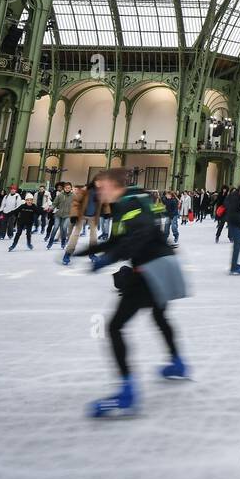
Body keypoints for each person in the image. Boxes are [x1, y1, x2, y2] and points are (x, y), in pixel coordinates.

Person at [80, 168, 188, 418]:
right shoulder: (131, 200)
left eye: (101, 186)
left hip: (150, 269)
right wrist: (86, 252)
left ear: (112, 185)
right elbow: (121, 240)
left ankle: (127, 393)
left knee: (115, 326)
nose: (98, 192)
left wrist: (106, 259)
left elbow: (140, 234)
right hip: (163, 263)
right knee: (159, 315)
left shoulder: (128, 203)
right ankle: (178, 363)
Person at [63, 180, 99, 266]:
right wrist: (74, 215)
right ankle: (68, 253)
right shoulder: (84, 191)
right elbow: (75, 202)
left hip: (93, 216)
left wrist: (107, 212)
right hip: (82, 215)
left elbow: (105, 204)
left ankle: (92, 253)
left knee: (94, 235)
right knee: (75, 234)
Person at [224, 184, 240, 274]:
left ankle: (234, 264)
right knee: (237, 245)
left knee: (237, 245)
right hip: (234, 223)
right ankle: (233, 267)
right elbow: (233, 211)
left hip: (236, 223)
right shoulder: (235, 197)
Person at [46, 182, 73, 249]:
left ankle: (63, 242)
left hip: (67, 215)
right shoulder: (60, 195)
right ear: (64, 188)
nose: (67, 189)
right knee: (55, 227)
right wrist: (50, 208)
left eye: (69, 188)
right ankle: (50, 242)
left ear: (71, 188)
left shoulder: (73, 196)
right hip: (58, 214)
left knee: (64, 228)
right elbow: (54, 203)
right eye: (66, 188)